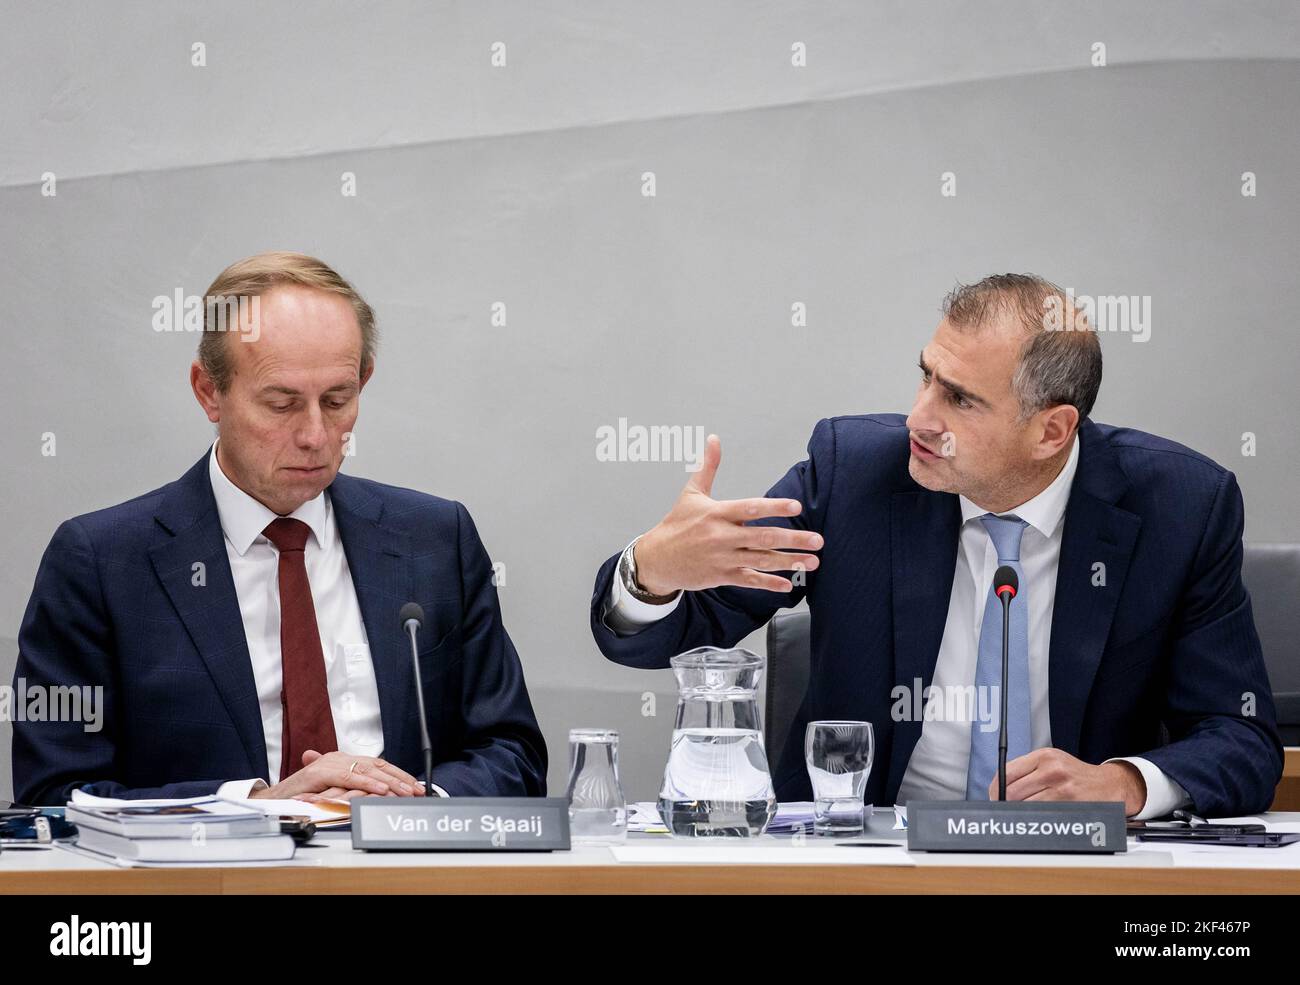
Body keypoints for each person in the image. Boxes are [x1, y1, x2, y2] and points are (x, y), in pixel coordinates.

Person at [590, 273, 1282, 818]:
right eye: (926, 376)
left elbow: (1242, 737)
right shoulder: (854, 472)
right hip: (869, 866)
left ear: (1051, 430)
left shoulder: (1180, 508)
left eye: (961, 399)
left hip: (1070, 868)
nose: (920, 416)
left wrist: (1125, 782)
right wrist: (651, 572)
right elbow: (664, 635)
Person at [14, 252, 546, 804]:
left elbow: (514, 755)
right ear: (208, 391)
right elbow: (54, 797)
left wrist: (406, 806)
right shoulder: (102, 562)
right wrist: (260, 808)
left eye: (338, 400)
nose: (316, 435)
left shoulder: (436, 538)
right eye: (281, 404)